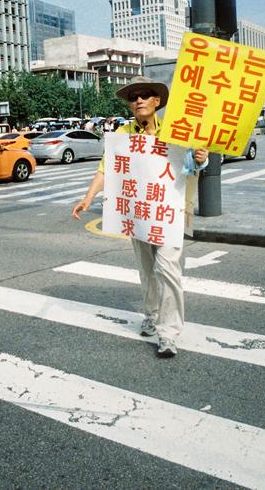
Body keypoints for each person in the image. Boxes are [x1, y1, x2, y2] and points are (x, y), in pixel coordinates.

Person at [72, 76, 208, 358]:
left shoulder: (175, 130)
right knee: (147, 269)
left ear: (157, 101)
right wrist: (88, 197)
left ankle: (168, 333)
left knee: (167, 269)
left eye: (144, 95)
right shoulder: (123, 132)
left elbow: (192, 164)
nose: (138, 100)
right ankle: (151, 314)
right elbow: (106, 168)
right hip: (139, 213)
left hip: (169, 213)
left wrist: (201, 159)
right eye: (133, 97)